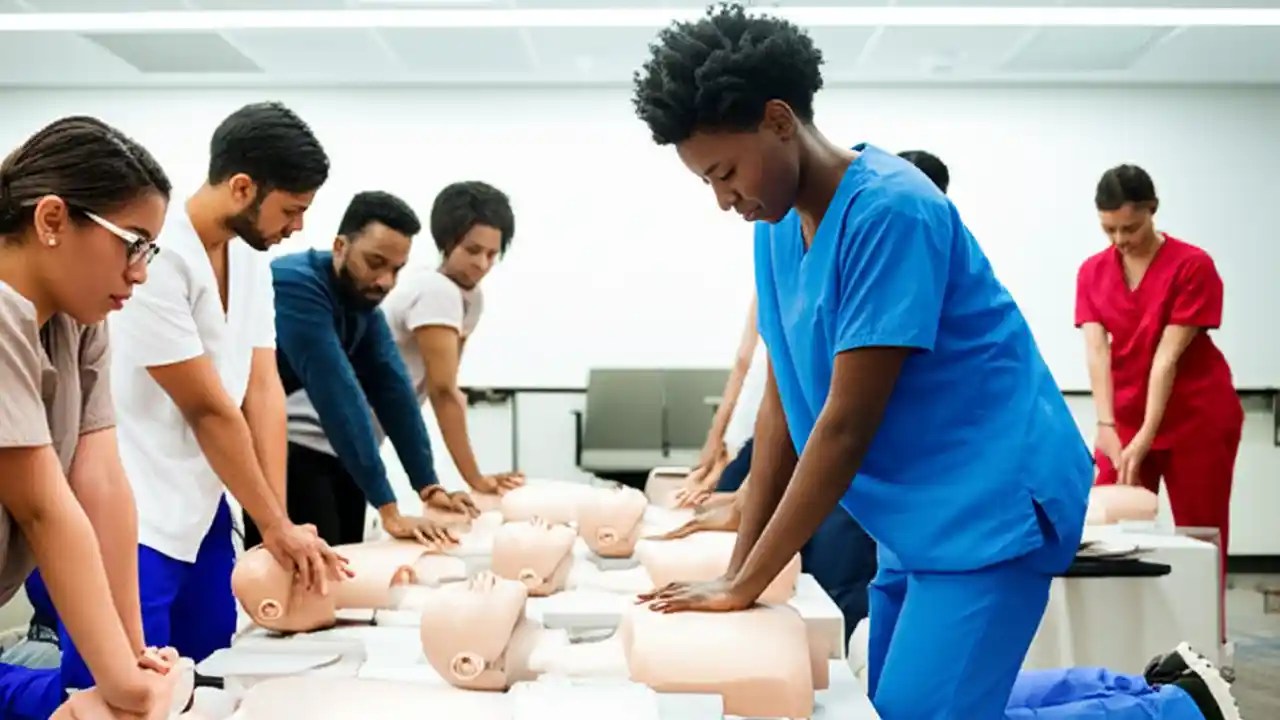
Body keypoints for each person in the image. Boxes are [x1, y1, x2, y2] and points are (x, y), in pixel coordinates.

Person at [630, 5, 1092, 718]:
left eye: (726, 173)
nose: (724, 200)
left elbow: (844, 424)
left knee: (918, 714)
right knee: (887, 703)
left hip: (992, 505)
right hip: (915, 513)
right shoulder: (776, 228)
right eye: (708, 184)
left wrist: (744, 584)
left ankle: (1171, 708)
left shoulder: (892, 210)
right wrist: (741, 570)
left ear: (779, 121)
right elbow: (783, 397)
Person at [38, 101, 350, 696]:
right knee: (119, 689)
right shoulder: (155, 257)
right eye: (291, 209)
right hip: (137, 511)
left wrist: (277, 524)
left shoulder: (250, 258)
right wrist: (273, 524)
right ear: (243, 187)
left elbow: (263, 390)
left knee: (209, 676)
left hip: (205, 508)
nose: (297, 228)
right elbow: (207, 409)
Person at [0, 116, 181, 719]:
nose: (140, 271)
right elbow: (43, 508)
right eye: (133, 243)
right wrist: (125, 687)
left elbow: (99, 482)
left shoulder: (79, 321)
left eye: (149, 250)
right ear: (52, 220)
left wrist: (134, 656)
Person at [246, 190, 476, 549]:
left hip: (325, 451)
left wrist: (428, 486)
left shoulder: (361, 303)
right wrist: (389, 510)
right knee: (309, 565)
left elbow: (394, 390)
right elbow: (337, 393)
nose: (386, 281)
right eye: (375, 262)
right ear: (340, 246)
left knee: (348, 559)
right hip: (270, 444)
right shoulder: (296, 284)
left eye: (396, 269)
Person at [1075, 164, 1242, 632]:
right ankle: (1115, 639)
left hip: (1196, 415)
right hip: (1125, 414)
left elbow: (1167, 358)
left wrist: (1147, 433)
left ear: (1152, 210)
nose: (1120, 240)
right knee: (1105, 528)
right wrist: (1107, 425)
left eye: (1130, 228)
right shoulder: (1092, 271)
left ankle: (1208, 640)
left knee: (1200, 533)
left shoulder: (1192, 265)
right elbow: (1096, 351)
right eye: (1109, 229)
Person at [379, 181, 523, 495]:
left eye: (492, 254)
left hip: (355, 438)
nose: (482, 264)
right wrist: (476, 480)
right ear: (446, 242)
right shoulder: (436, 290)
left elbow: (445, 386)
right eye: (472, 250)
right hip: (325, 437)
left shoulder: (469, 297)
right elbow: (443, 391)